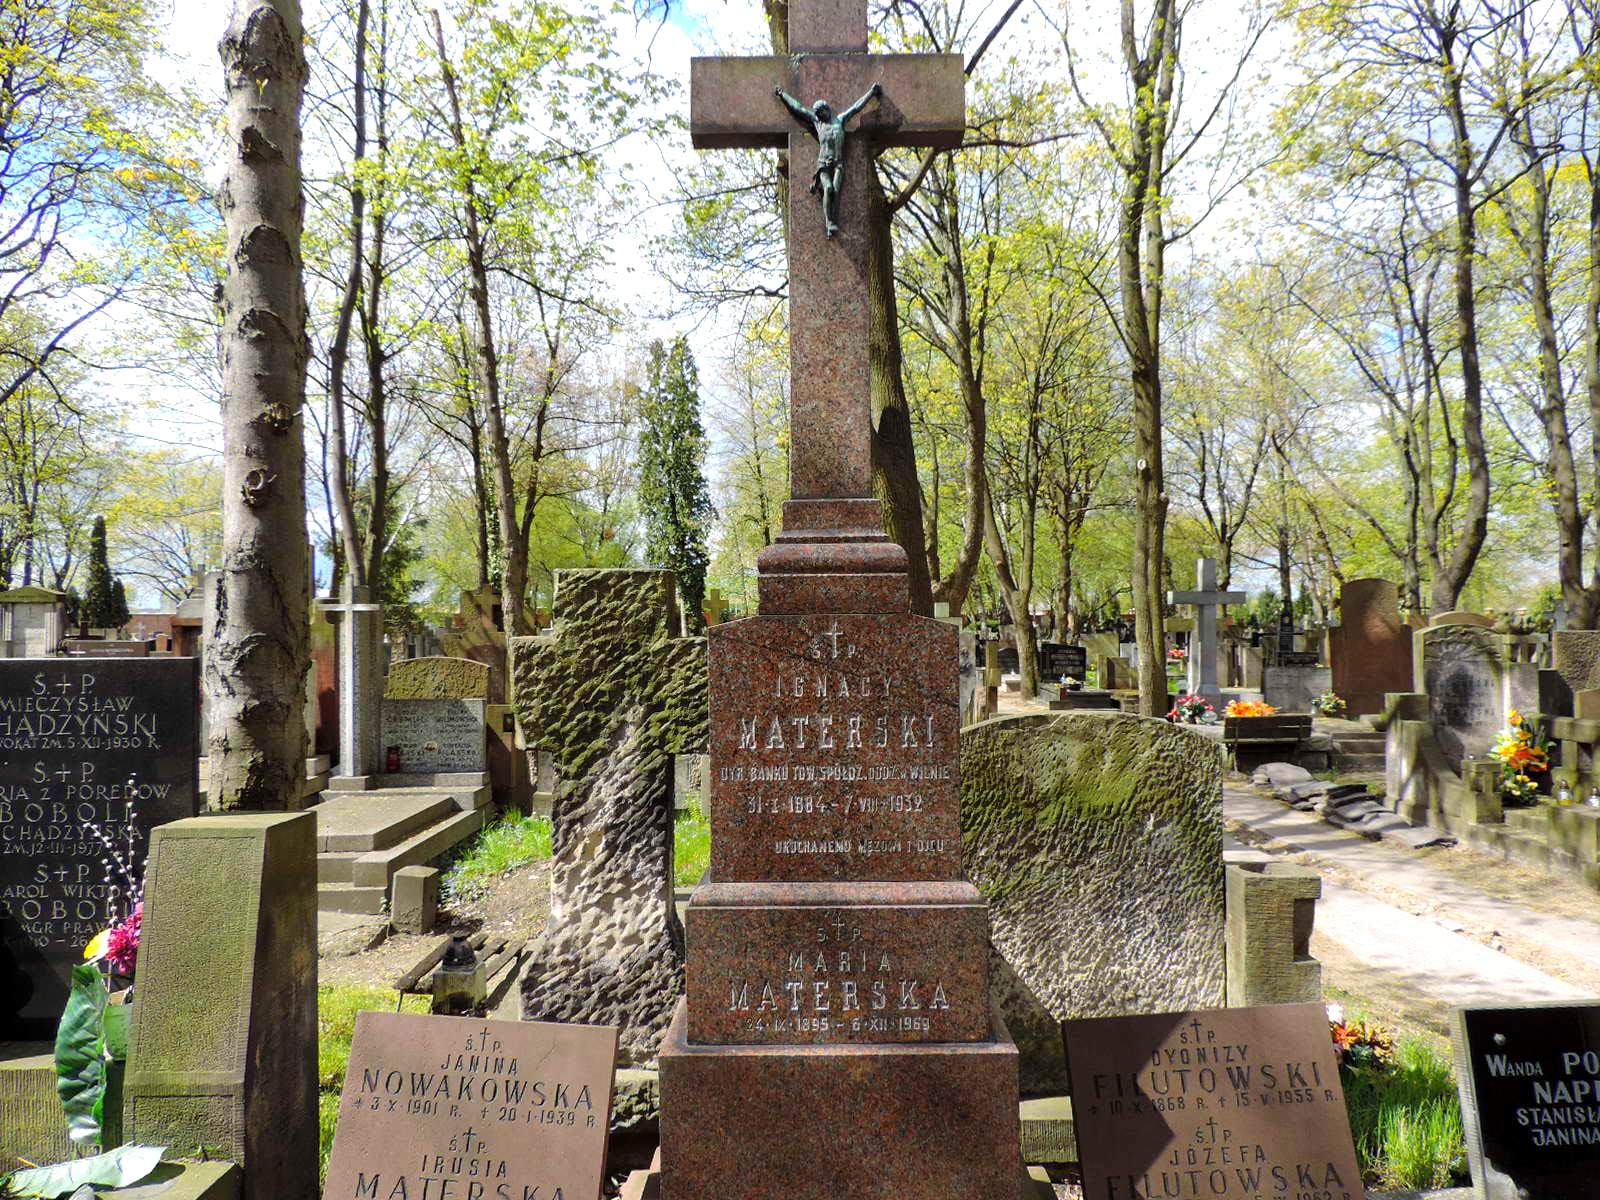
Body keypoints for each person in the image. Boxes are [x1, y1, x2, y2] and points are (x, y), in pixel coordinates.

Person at [774, 82, 883, 237]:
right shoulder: (817, 123)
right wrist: (783, 94)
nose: (820, 115)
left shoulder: (840, 120)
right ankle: (829, 222)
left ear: (827, 109)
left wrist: (871, 93)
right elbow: (799, 108)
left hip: (838, 163)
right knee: (829, 189)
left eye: (821, 112)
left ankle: (833, 220)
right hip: (823, 164)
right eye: (817, 113)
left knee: (836, 192)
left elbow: (857, 107)